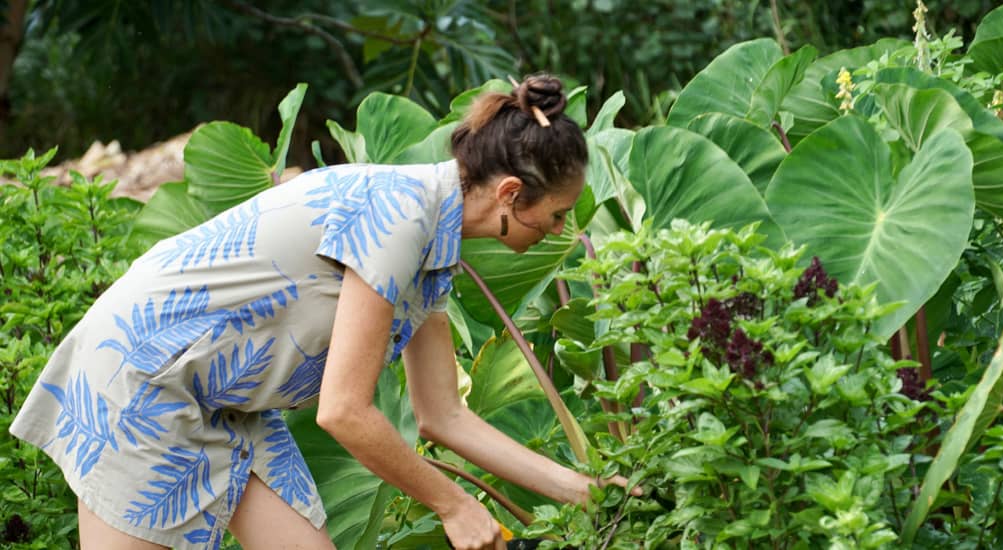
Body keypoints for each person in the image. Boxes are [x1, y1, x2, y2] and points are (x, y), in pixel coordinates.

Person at [9, 74, 637, 550]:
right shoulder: (400, 216)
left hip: (225, 399)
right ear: (509, 193)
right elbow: (344, 411)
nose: (560, 232)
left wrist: (589, 493)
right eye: (555, 215)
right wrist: (453, 505)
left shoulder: (432, 247)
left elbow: (443, 415)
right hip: (142, 378)